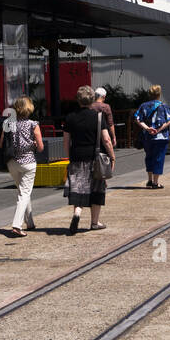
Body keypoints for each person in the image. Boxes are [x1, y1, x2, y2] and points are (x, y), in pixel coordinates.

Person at [63, 85, 115, 232]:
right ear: (92, 100)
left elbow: (66, 141)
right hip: (95, 158)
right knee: (97, 189)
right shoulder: (98, 117)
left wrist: (69, 157)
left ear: (78, 100)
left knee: (79, 188)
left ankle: (77, 212)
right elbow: (106, 139)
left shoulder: (70, 117)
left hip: (77, 157)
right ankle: (94, 222)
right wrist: (112, 156)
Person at [0, 96, 42, 238]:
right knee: (24, 193)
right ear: (29, 108)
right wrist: (34, 145)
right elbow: (41, 147)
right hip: (28, 162)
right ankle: (17, 225)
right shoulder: (33, 124)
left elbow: (1, 144)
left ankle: (29, 222)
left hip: (12, 162)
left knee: (23, 191)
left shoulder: (8, 123)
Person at [134, 85, 170, 188]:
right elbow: (169, 121)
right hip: (161, 137)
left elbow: (138, 119)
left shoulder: (143, 106)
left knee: (149, 157)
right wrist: (158, 130)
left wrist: (147, 129)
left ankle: (149, 180)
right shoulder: (164, 106)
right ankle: (156, 182)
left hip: (147, 137)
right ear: (159, 94)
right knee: (159, 158)